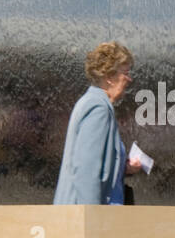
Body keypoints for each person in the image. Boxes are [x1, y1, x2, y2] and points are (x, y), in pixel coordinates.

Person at [54, 41, 142, 205]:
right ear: (109, 77)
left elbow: (99, 164)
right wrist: (92, 219)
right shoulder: (98, 108)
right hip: (87, 220)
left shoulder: (95, 104)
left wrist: (124, 168)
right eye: (125, 73)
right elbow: (86, 169)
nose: (129, 79)